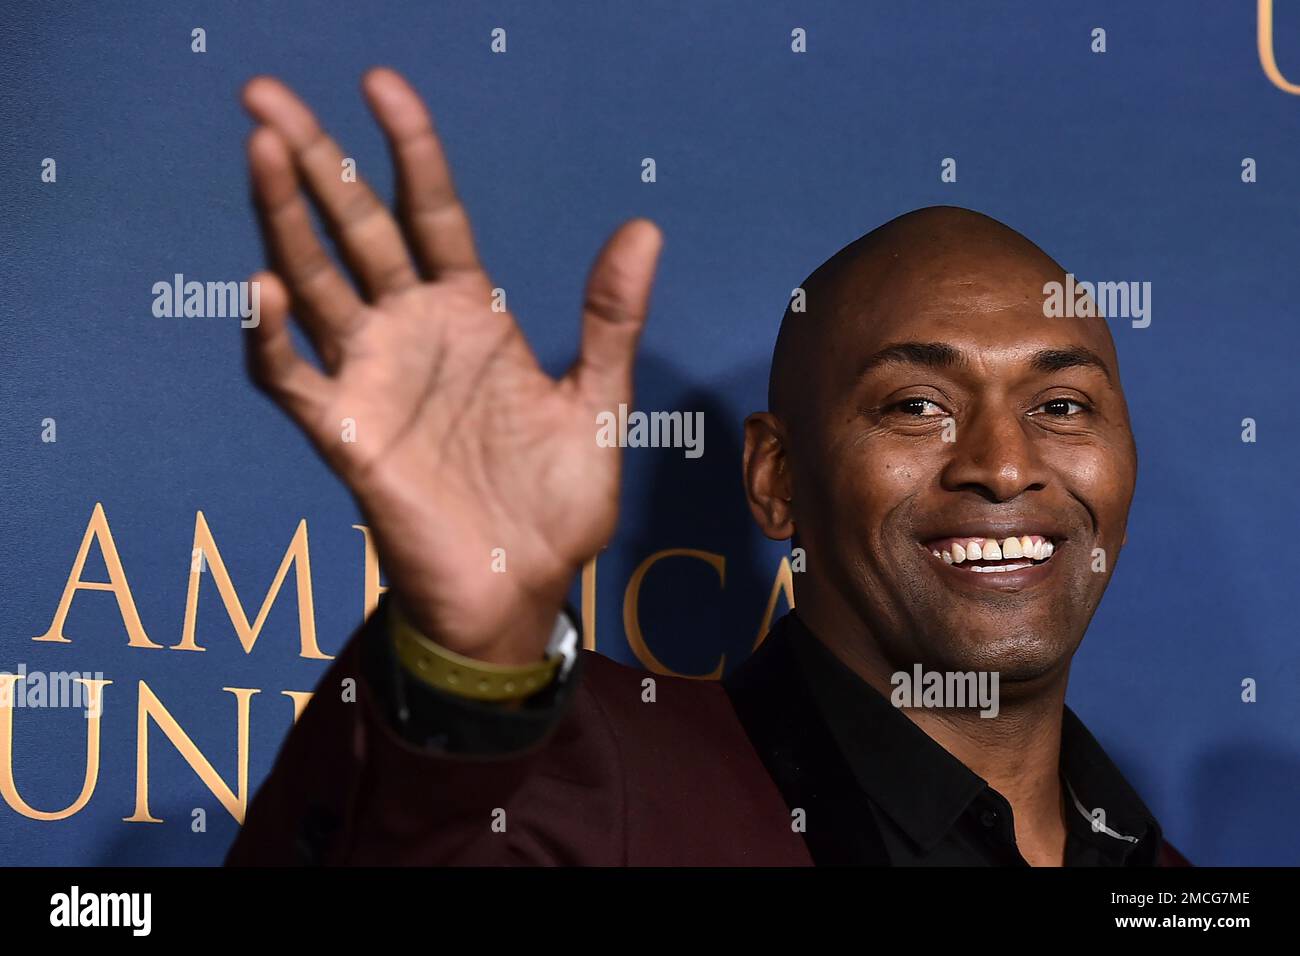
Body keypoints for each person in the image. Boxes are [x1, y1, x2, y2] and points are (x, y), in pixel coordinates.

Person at [225, 67, 1188, 867]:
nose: (1004, 464)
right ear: (776, 479)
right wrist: (468, 662)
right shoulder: (590, 782)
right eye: (915, 407)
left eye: (1061, 406)